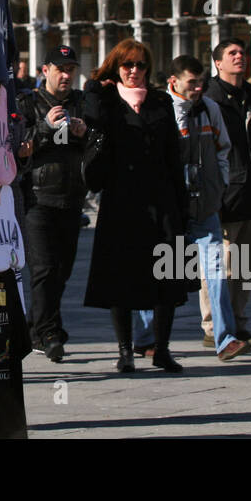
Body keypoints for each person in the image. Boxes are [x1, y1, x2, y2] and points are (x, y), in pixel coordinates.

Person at [83, 38, 189, 373]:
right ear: (116, 68)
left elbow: (174, 154)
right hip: (122, 201)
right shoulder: (107, 102)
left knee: (169, 275)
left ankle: (162, 348)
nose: (133, 71)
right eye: (126, 65)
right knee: (121, 277)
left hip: (161, 199)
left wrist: (181, 203)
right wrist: (93, 88)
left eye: (140, 65)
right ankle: (125, 350)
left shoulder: (160, 101)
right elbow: (92, 123)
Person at [166, 55, 248, 362]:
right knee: (164, 272)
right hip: (172, 208)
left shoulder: (209, 109)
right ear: (173, 81)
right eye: (192, 82)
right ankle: (148, 338)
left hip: (206, 205)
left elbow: (223, 148)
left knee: (216, 269)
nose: (199, 88)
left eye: (201, 81)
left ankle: (224, 337)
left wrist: (220, 182)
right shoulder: (163, 110)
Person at [16, 45, 90, 362]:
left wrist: (85, 132)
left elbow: (98, 143)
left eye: (70, 69)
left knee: (62, 271)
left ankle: (37, 327)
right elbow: (19, 146)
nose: (66, 75)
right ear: (45, 70)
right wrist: (46, 126)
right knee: (43, 269)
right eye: (60, 69)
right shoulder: (28, 102)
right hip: (38, 198)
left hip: (72, 198)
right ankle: (49, 333)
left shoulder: (81, 104)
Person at [202, 38, 251, 348]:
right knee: (223, 262)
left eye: (242, 53)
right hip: (226, 189)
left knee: (246, 264)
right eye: (231, 54)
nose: (239, 58)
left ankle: (239, 322)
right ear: (218, 63)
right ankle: (214, 326)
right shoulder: (210, 98)